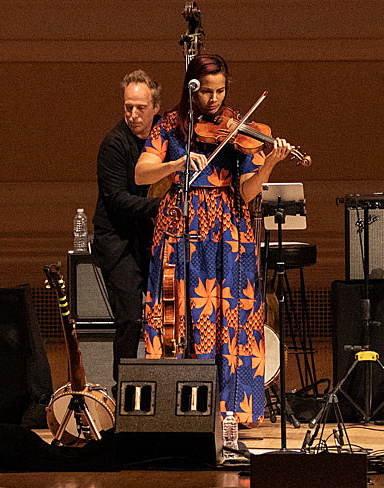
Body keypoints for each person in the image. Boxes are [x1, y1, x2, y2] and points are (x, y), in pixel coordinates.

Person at [134, 55, 294, 423]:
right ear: (191, 89)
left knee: (228, 311)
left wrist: (268, 163)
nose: (214, 99)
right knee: (176, 309)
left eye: (220, 91)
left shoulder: (238, 129)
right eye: (206, 91)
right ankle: (176, 402)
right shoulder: (170, 127)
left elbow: (248, 191)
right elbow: (143, 174)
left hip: (227, 229)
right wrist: (175, 164)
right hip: (180, 226)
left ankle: (230, 408)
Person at [92, 70, 161, 366]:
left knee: (164, 316)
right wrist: (162, 208)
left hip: (150, 240)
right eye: (128, 107)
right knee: (131, 318)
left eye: (140, 108)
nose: (133, 114)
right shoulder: (113, 145)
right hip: (119, 242)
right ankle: (125, 390)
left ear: (155, 108)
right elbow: (117, 201)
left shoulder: (163, 139)